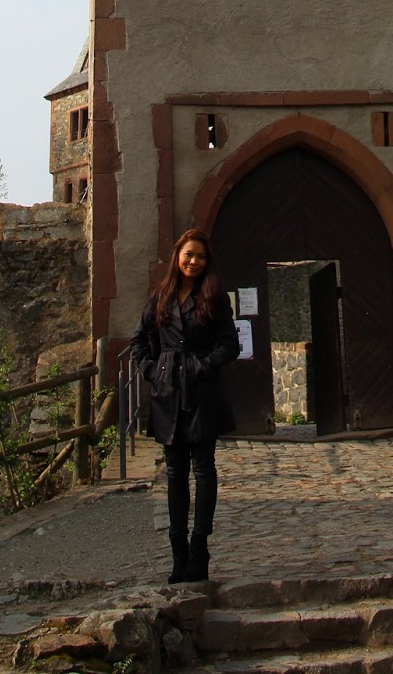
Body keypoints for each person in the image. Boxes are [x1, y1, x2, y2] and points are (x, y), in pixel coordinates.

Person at [129, 229, 240, 582]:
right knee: (175, 474)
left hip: (202, 391)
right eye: (189, 255)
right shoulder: (159, 298)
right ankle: (178, 555)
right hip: (168, 394)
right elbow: (138, 342)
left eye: (201, 257)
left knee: (204, 469)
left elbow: (230, 344)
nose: (194, 262)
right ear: (177, 256)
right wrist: (153, 371)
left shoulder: (214, 297)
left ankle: (199, 548)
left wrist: (203, 366)